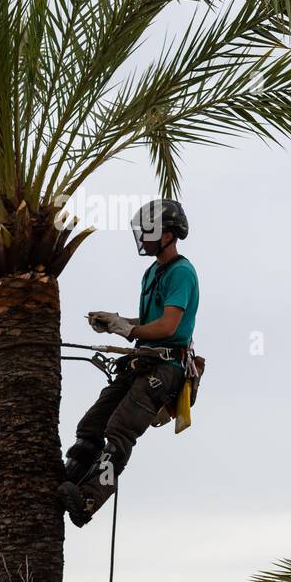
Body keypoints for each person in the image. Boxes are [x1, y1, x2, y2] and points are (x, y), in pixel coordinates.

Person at [58, 199, 199, 528]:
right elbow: (152, 323)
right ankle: (67, 481)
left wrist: (129, 329)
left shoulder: (182, 273)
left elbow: (168, 328)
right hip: (142, 361)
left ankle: (88, 501)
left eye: (148, 231)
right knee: (91, 426)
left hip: (164, 370)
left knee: (119, 432)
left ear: (167, 234)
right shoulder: (152, 272)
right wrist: (118, 322)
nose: (142, 237)